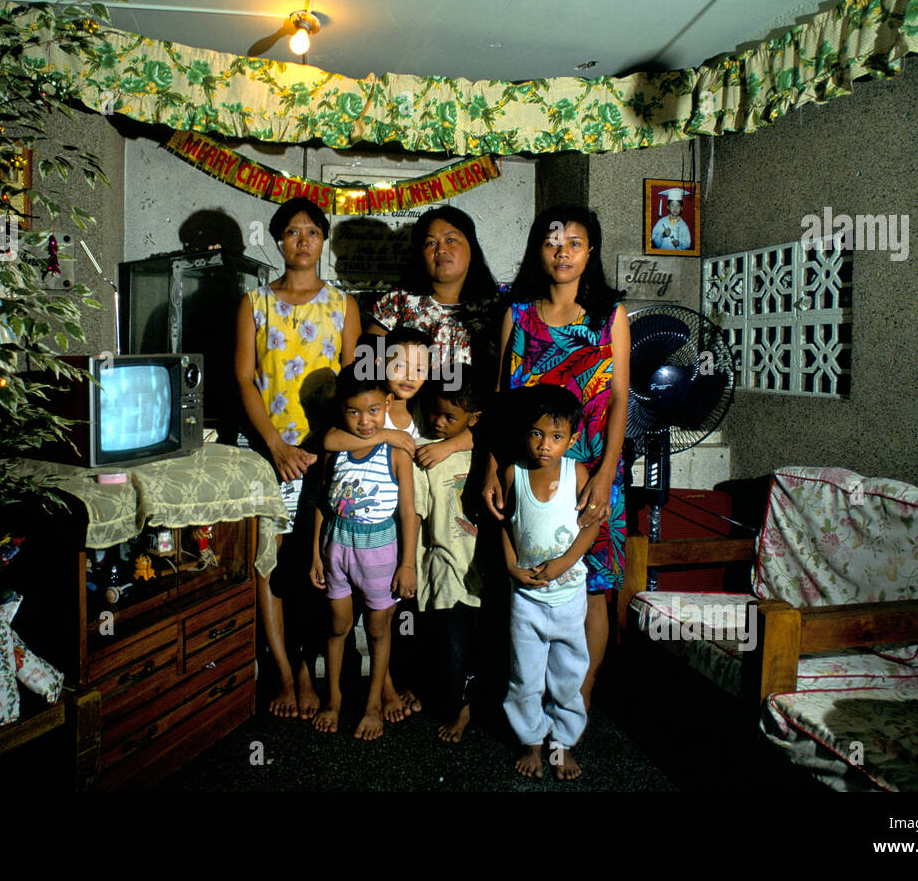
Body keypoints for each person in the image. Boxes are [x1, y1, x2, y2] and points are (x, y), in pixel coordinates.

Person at [483, 204, 629, 712]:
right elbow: (501, 402)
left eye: (574, 242)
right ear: (537, 251)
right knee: (527, 586)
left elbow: (617, 400)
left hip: (591, 474)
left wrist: (607, 473)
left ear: (590, 252)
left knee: (590, 591)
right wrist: (489, 470)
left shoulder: (611, 316)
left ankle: (575, 708)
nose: (562, 252)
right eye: (552, 242)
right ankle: (527, 708)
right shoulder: (517, 313)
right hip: (526, 473)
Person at [233, 196, 361, 720]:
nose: (302, 240)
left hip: (325, 455)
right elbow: (243, 377)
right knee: (271, 566)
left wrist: (322, 446)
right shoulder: (254, 302)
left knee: (317, 565)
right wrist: (277, 446)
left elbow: (355, 385)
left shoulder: (343, 304)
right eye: (292, 232)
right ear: (277, 240)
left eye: (312, 231)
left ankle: (309, 672)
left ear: (323, 241)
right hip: (270, 453)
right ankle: (283, 675)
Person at [322, 324, 431, 720]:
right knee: (345, 622)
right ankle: (363, 695)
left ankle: (387, 690)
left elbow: (472, 427)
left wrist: (408, 562)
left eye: (419, 367)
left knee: (388, 624)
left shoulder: (423, 409)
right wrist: (382, 433)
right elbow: (331, 443)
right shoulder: (367, 420)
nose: (409, 374)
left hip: (392, 540)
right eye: (399, 364)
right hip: (343, 541)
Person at [309, 367, 417, 740]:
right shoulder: (334, 449)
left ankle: (372, 704)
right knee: (337, 625)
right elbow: (323, 504)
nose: (365, 420)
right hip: (336, 547)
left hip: (380, 552)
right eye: (354, 411)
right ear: (341, 409)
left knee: (377, 628)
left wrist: (407, 564)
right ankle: (334, 701)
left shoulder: (396, 451)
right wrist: (315, 555)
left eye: (373, 410)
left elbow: (407, 513)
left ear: (387, 403)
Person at [499, 385, 597, 780]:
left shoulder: (578, 473)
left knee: (568, 675)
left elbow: (590, 527)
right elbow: (503, 527)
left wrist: (564, 563)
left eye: (557, 437)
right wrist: (509, 566)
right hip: (526, 598)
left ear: (571, 439)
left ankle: (562, 745)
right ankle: (531, 743)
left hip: (569, 595)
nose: (545, 445)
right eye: (536, 433)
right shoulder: (515, 474)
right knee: (525, 674)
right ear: (525, 433)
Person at [369, 205, 500, 414]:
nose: (440, 250)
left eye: (451, 239)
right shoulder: (398, 302)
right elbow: (366, 362)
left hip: (471, 426)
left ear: (471, 246)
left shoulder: (497, 308)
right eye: (430, 243)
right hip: (403, 421)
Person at [413, 368, 485, 742]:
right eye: (434, 413)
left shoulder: (488, 450)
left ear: (473, 420)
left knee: (481, 643)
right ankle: (458, 706)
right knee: (449, 643)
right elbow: (418, 514)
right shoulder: (425, 455)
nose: (437, 422)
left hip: (483, 566)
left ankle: (474, 704)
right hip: (444, 566)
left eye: (449, 417)